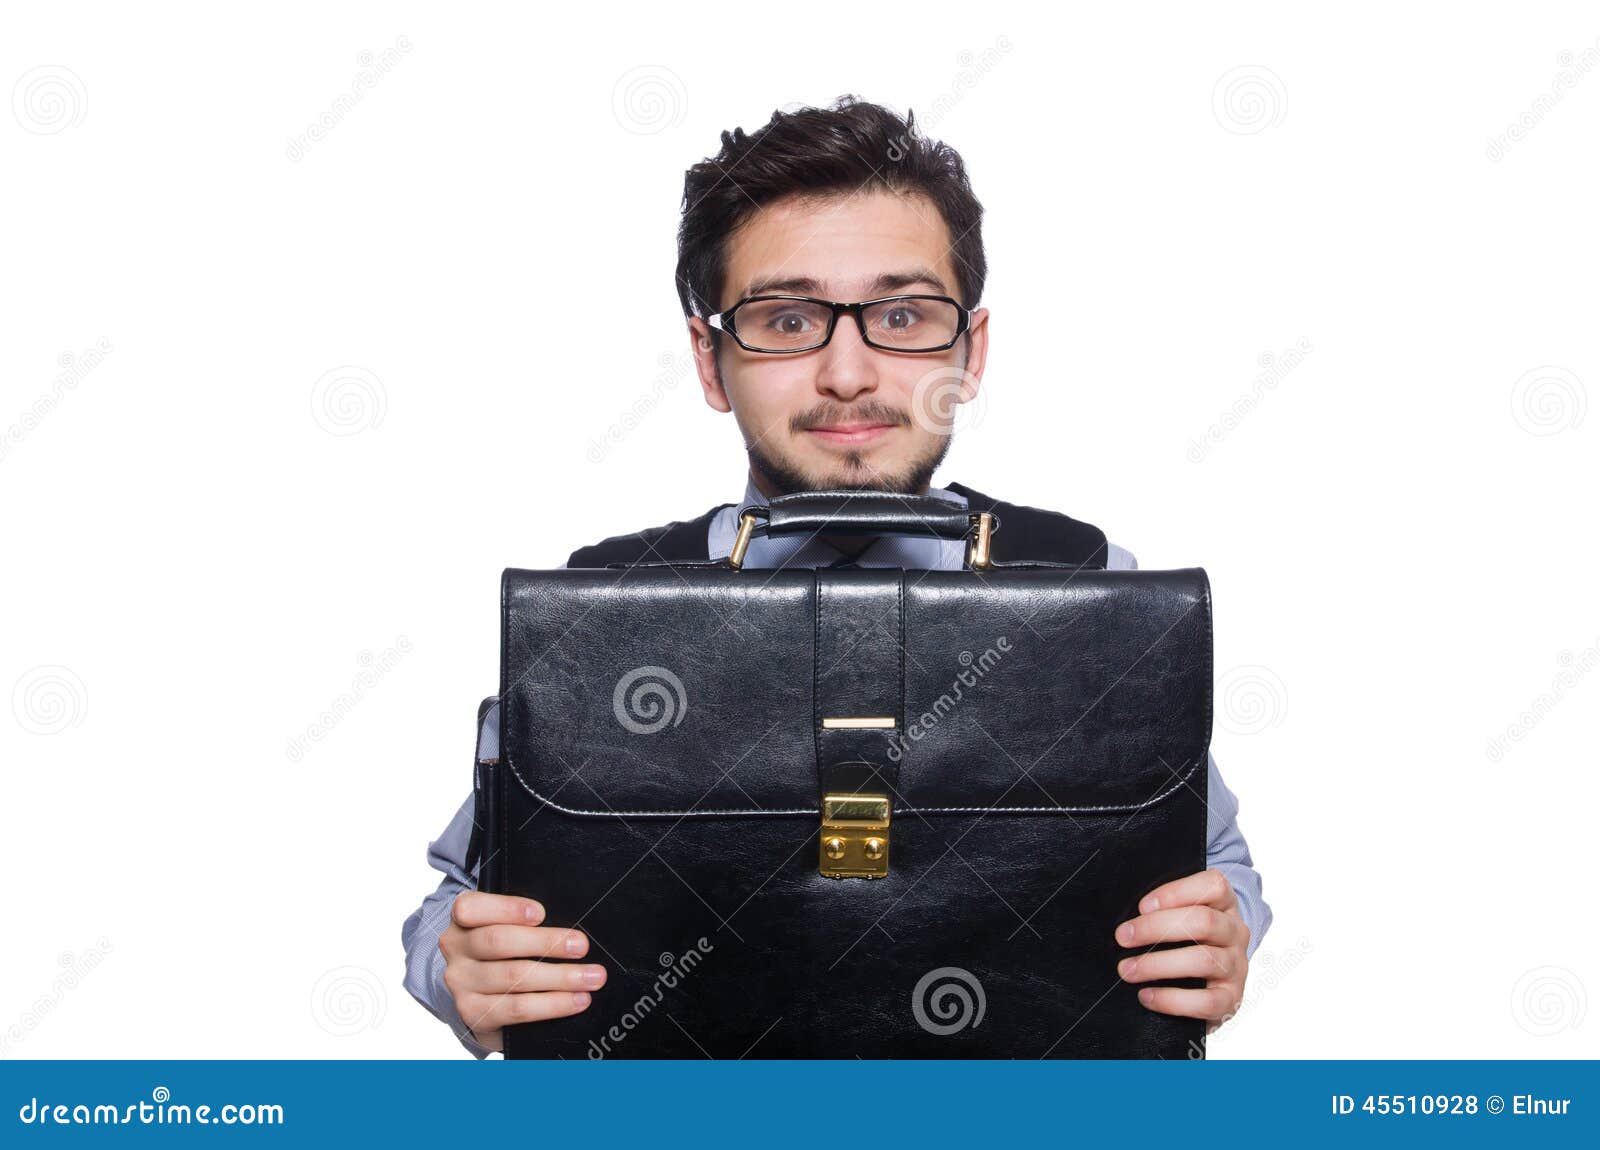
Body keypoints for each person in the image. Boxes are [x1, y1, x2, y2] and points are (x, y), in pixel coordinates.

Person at [402, 96, 1272, 1058]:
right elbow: (459, 900)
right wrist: (461, 970)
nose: (849, 375)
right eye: (787, 320)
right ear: (710, 360)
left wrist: (1222, 929)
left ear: (969, 351)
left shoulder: (1086, 585)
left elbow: (1215, 861)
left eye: (902, 316)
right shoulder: (604, 608)